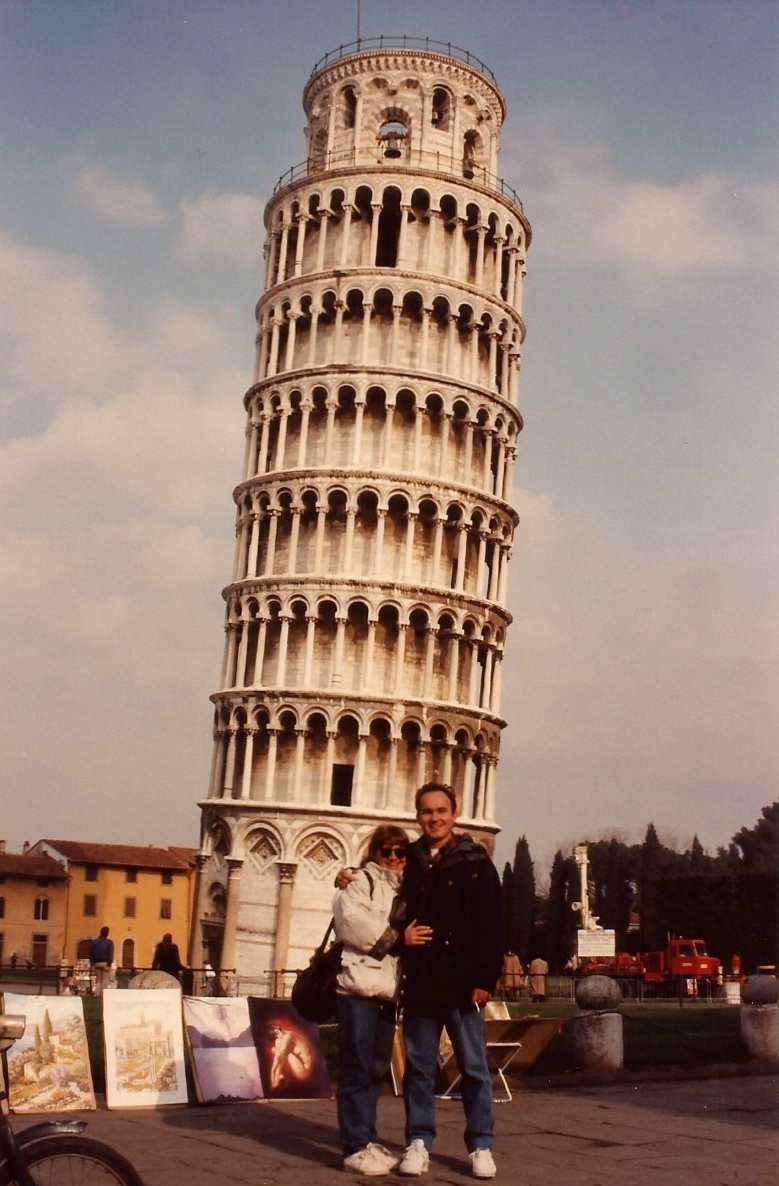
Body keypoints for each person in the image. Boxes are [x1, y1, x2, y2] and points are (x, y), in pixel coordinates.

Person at [398, 783, 504, 1180]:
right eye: (427, 812)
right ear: (418, 816)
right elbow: (379, 889)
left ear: (454, 815)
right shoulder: (408, 859)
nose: (434, 818)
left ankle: (480, 1145)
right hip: (422, 982)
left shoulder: (475, 861)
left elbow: (493, 925)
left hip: (462, 984)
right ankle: (419, 1142)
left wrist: (484, 979)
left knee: (474, 1068)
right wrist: (347, 877)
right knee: (419, 1068)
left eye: (441, 811)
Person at [333, 824, 409, 1177]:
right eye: (386, 851)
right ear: (374, 853)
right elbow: (350, 924)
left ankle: (367, 1137)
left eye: (399, 851)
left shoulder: (411, 887)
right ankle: (353, 1146)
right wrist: (397, 937)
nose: (393, 857)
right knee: (356, 1067)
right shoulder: (360, 882)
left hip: (388, 991)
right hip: (358, 988)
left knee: (377, 1069)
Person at [89, 926, 114, 996]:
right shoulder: (110, 942)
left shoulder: (94, 942)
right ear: (107, 933)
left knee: (98, 980)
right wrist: (109, 964)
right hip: (105, 963)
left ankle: (97, 994)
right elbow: (110, 954)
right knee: (105, 980)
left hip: (96, 963)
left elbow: (91, 954)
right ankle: (103, 994)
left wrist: (92, 964)